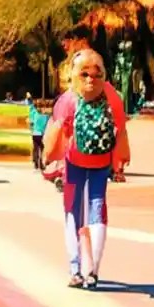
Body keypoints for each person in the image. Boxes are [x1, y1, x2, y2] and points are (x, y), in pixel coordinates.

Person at [43, 50, 131, 290]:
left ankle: (75, 269)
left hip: (73, 161)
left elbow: (53, 138)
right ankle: (93, 270)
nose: (91, 79)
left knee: (72, 209)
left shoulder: (68, 99)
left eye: (95, 74)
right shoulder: (112, 96)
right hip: (101, 161)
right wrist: (120, 161)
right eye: (86, 74)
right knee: (97, 207)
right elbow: (121, 131)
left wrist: (48, 159)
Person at [26, 92, 48, 171]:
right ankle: (41, 163)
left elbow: (31, 106)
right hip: (42, 134)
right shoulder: (45, 116)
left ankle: (35, 162)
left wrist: (29, 97)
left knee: (36, 147)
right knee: (42, 147)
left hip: (35, 133)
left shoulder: (34, 113)